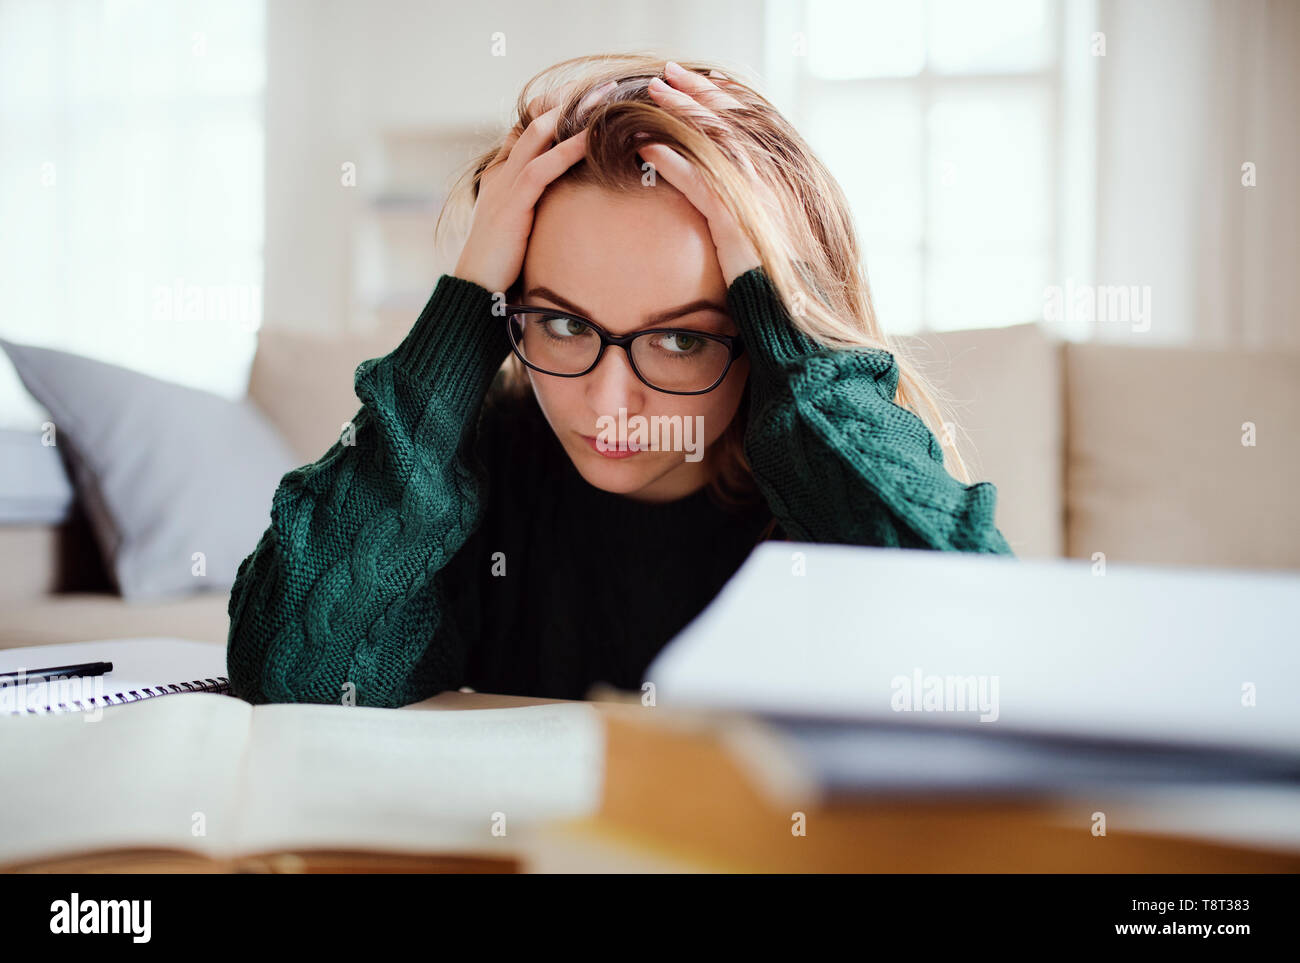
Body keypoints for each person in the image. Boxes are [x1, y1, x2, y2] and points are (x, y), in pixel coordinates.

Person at [226, 55, 1015, 707]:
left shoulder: (819, 503)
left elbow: (994, 662)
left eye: (679, 338)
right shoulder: (472, 481)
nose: (607, 405)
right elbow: (291, 668)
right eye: (564, 323)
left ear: (765, 329)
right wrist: (465, 305)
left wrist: (800, 326)